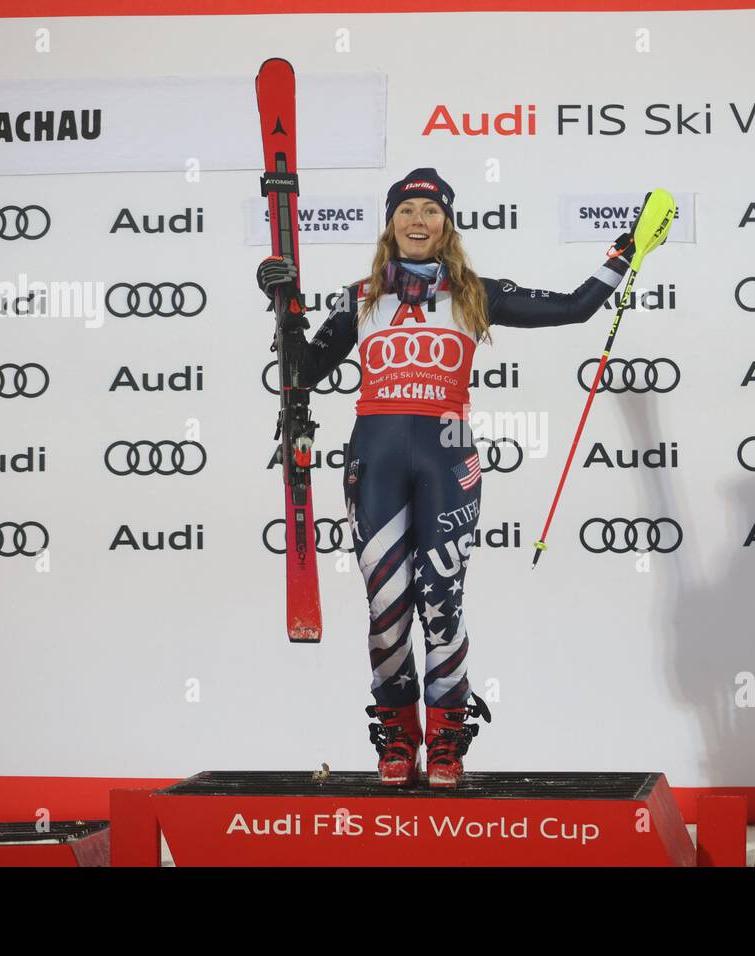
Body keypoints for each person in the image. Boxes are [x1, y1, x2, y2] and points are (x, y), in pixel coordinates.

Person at [258, 167, 636, 787]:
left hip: (448, 456)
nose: (417, 221)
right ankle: (398, 737)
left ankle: (449, 740)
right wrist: (283, 303)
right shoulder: (361, 296)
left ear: (447, 224)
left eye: (430, 212)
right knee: (387, 609)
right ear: (390, 223)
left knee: (442, 602)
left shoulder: (474, 294)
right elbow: (302, 371)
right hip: (375, 457)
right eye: (406, 210)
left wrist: (626, 254)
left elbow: (575, 309)